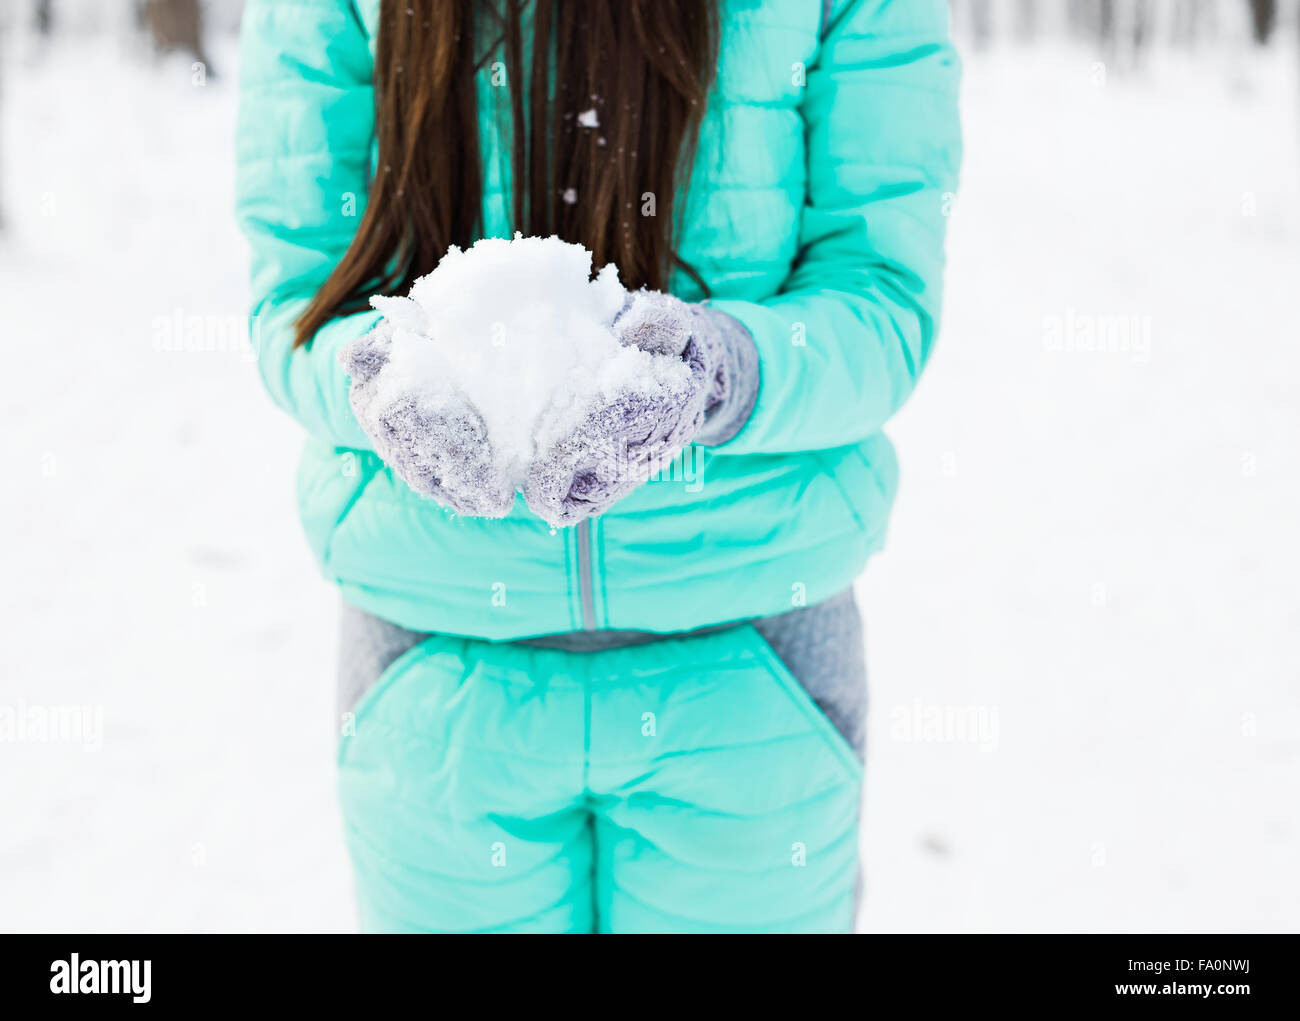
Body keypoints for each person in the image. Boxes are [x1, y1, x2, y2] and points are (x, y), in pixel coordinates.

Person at [235, 0, 961, 933]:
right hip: (436, 681)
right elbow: (296, 301)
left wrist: (724, 371)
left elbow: (884, 298)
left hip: (750, 675)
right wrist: (379, 386)